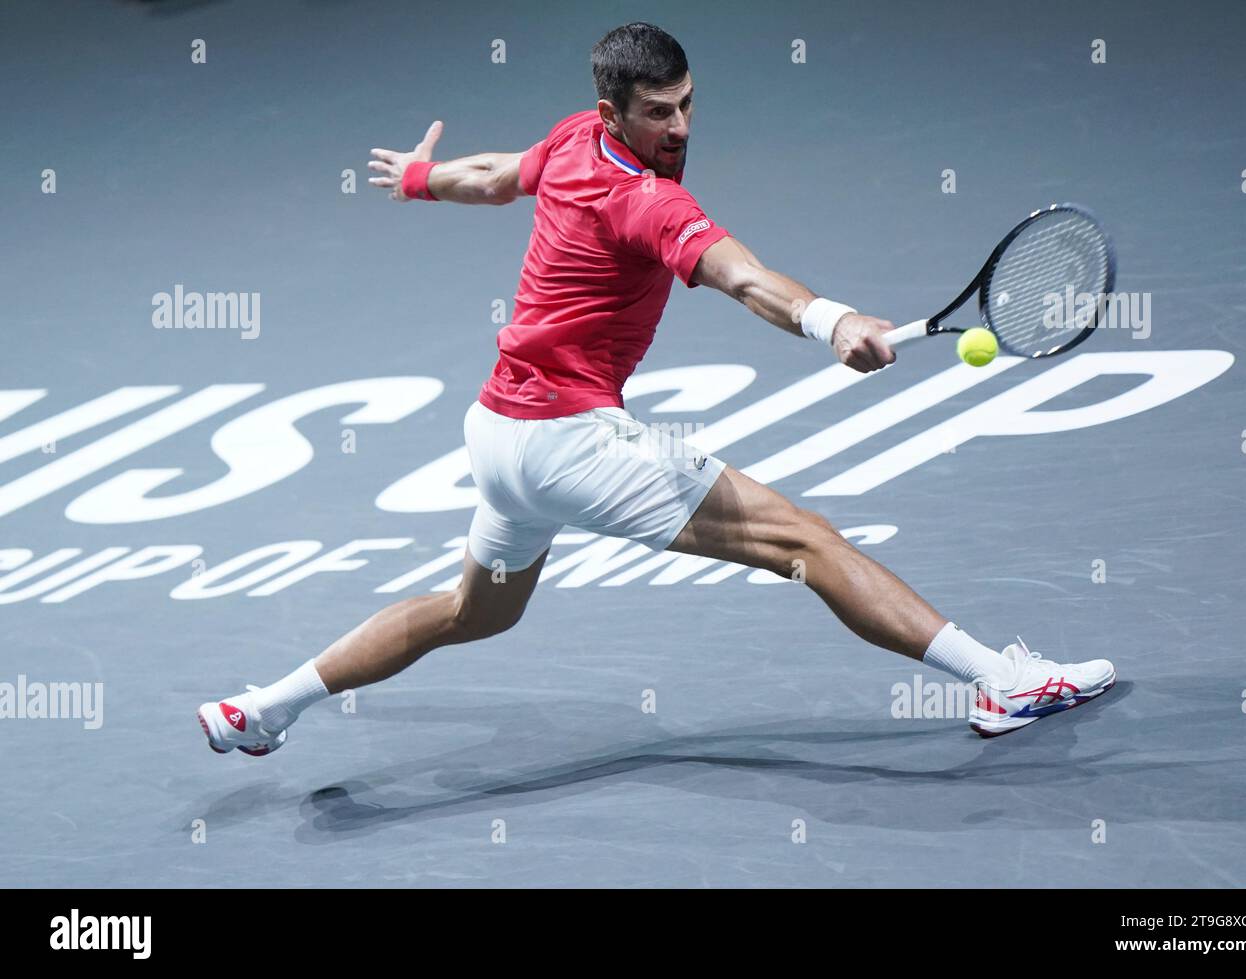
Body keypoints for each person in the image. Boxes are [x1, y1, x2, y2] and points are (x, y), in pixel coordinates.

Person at [197, 22, 1114, 757]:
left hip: (499, 439)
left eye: (686, 106)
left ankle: (262, 707)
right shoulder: (649, 200)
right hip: (570, 441)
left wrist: (420, 179)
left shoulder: (570, 138)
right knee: (809, 542)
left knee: (470, 613)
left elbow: (493, 175)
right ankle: (1003, 678)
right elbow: (743, 276)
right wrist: (832, 320)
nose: (679, 129)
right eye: (657, 113)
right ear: (613, 111)